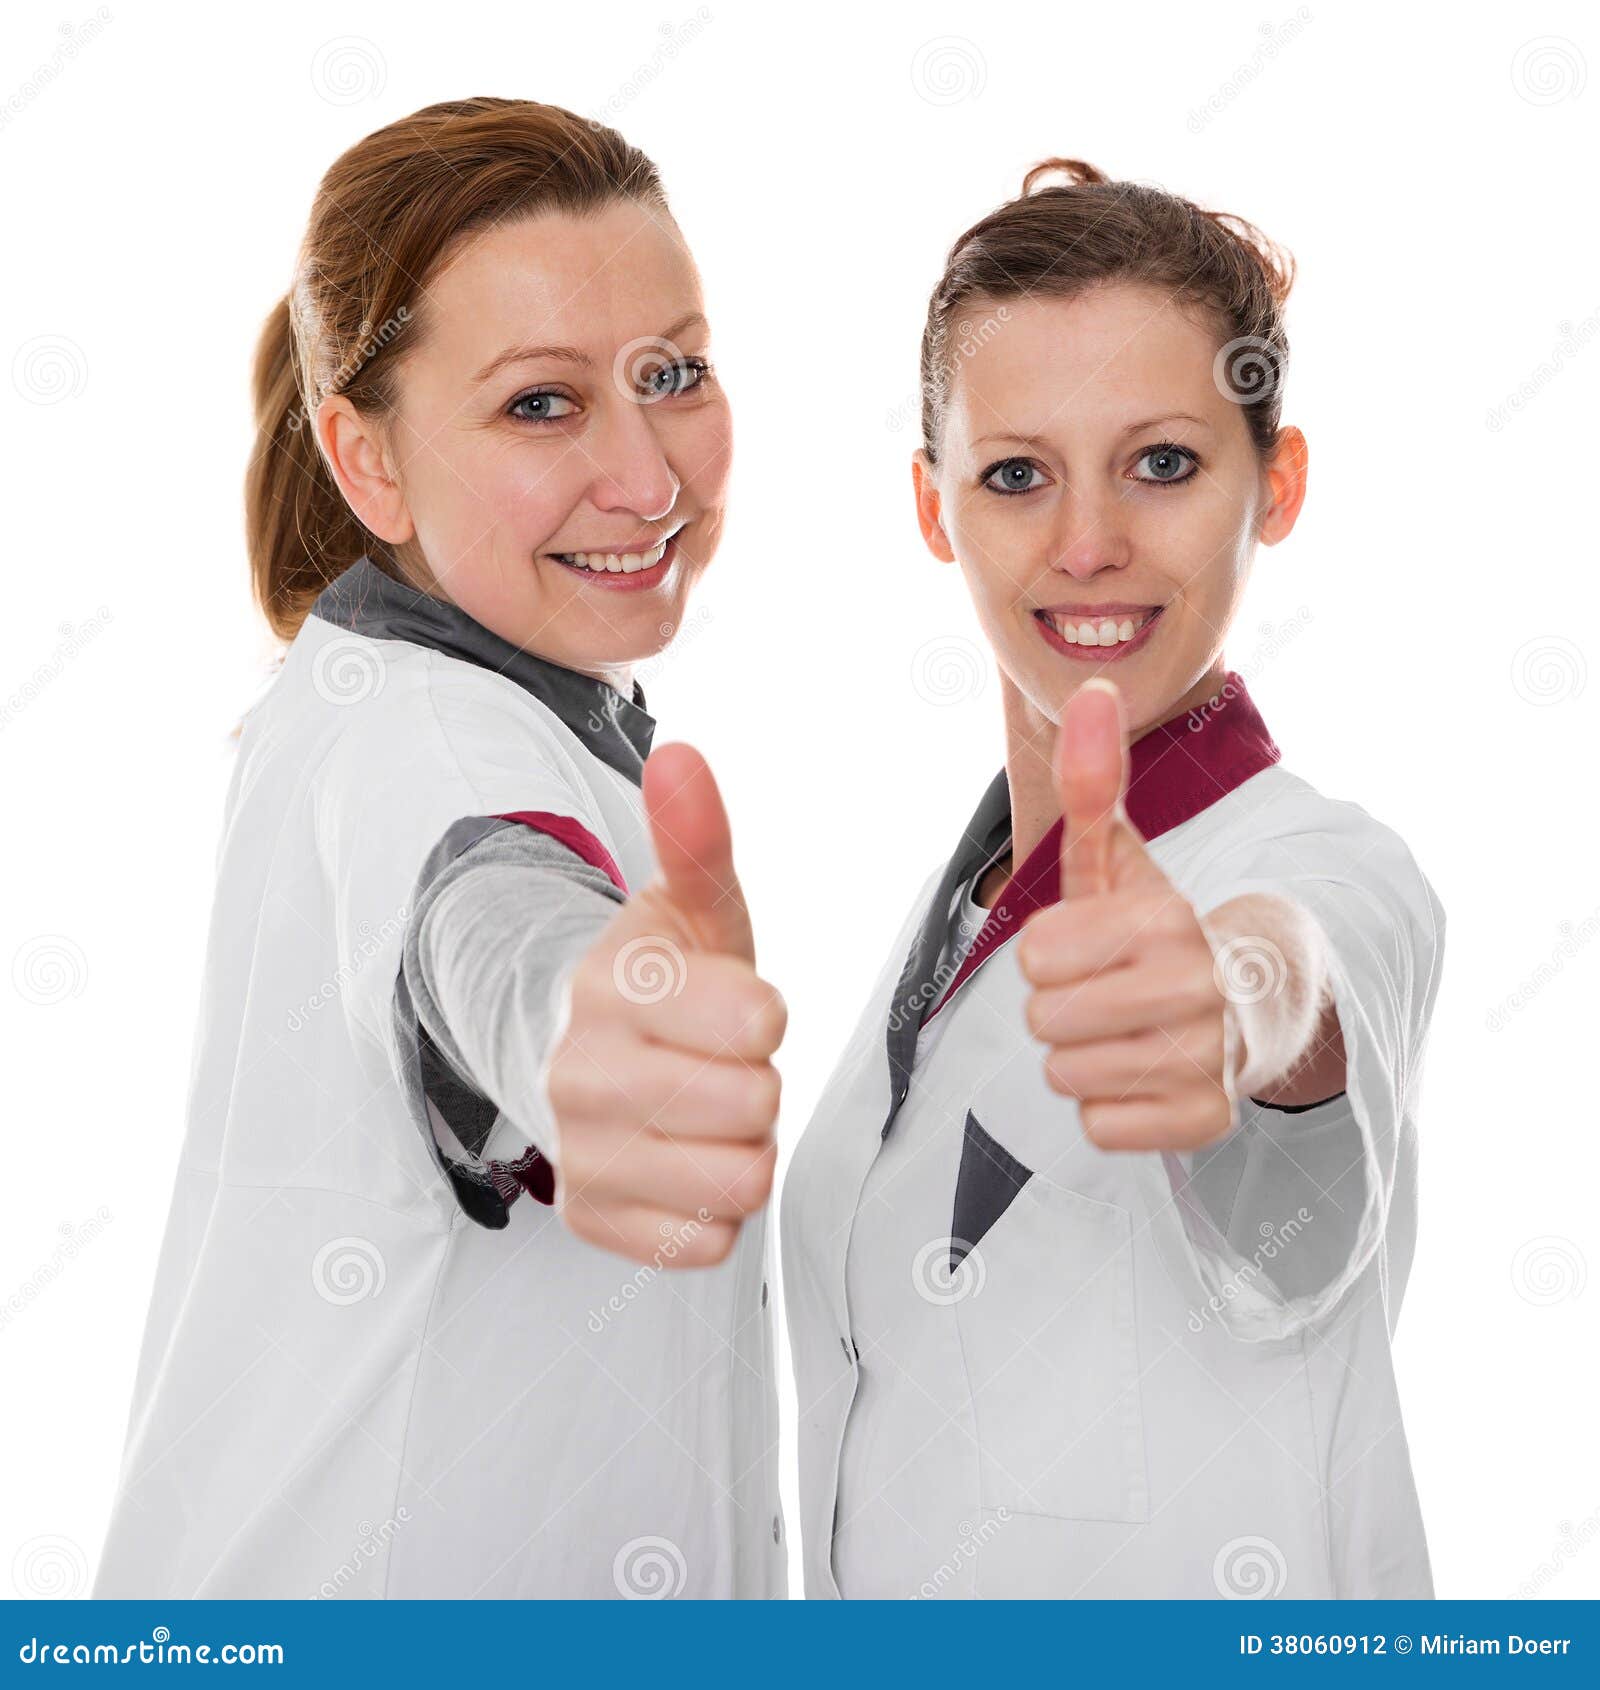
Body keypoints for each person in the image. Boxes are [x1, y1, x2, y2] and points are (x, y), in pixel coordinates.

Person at [94, 97, 786, 1600]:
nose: (648, 478)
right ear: (369, 461)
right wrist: (587, 1028)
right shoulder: (423, 737)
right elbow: (492, 920)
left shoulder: (434, 707)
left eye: (671, 373)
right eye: (542, 403)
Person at [781, 159, 1446, 1600]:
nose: (1087, 543)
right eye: (1016, 472)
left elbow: (1301, 999)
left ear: (1279, 484)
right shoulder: (953, 920)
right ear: (931, 503)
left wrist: (1238, 1007)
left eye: (1162, 462)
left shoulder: (1324, 868)